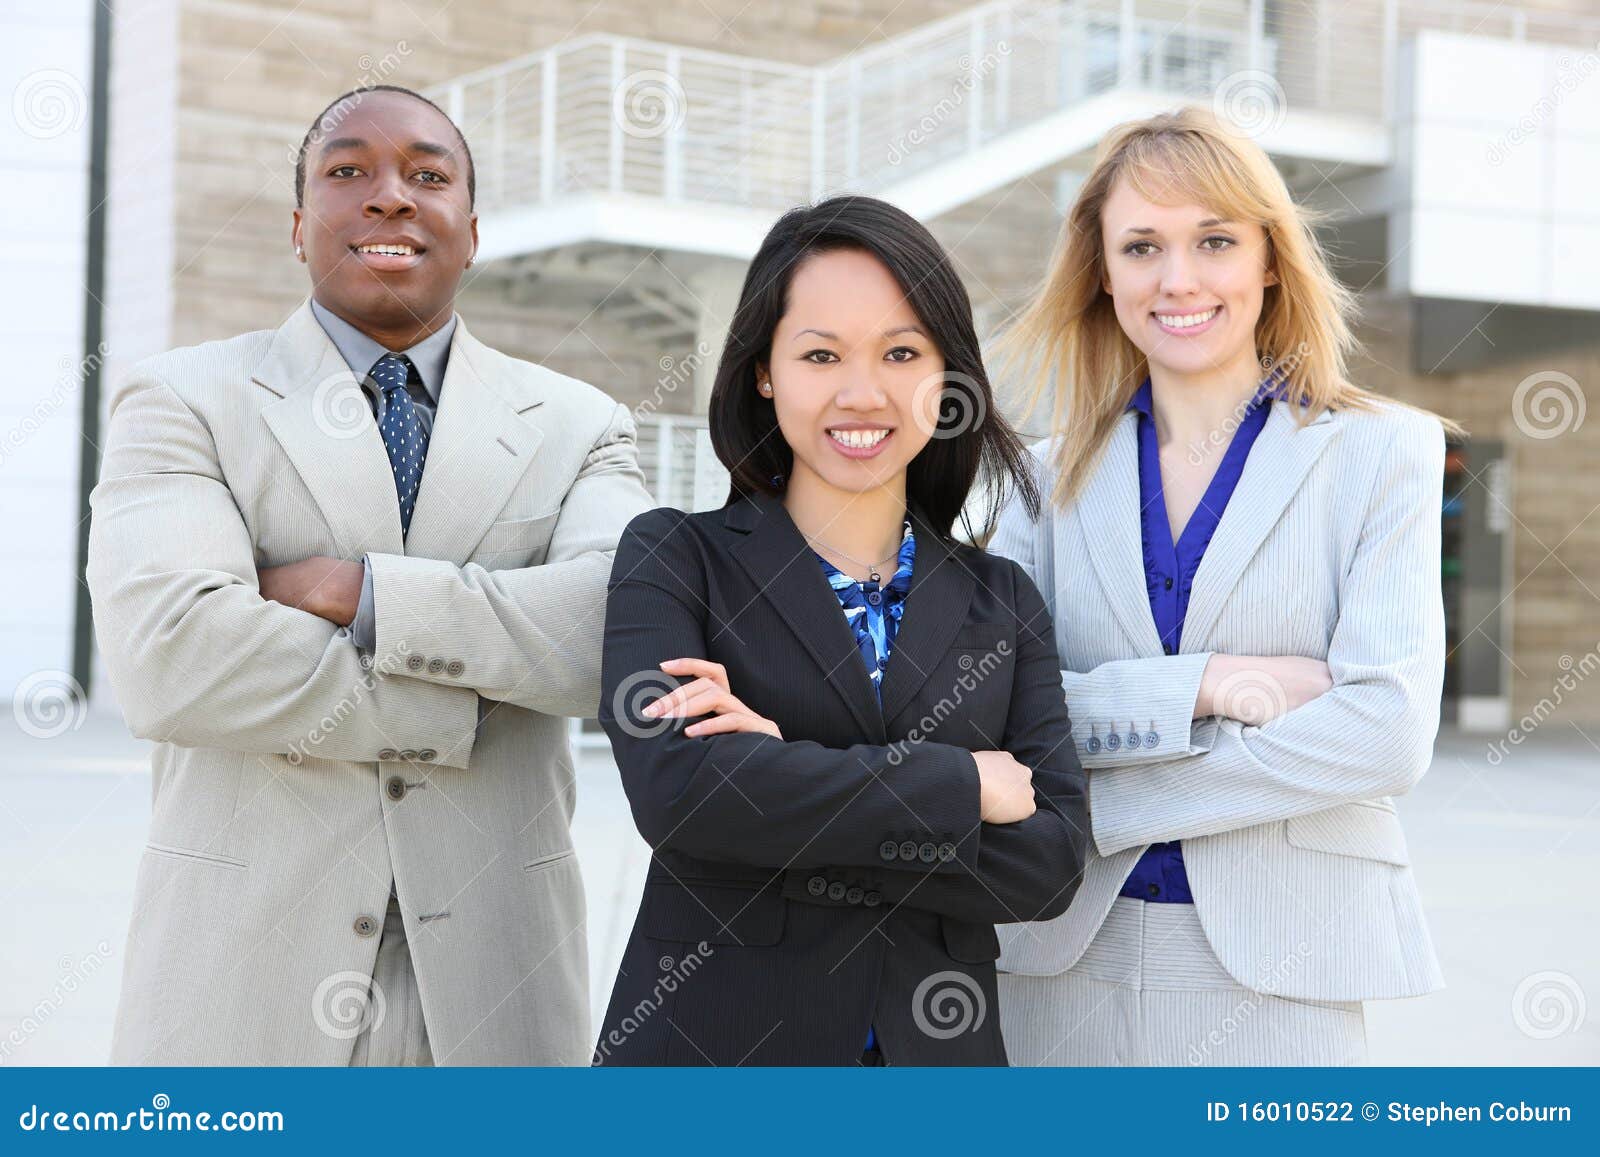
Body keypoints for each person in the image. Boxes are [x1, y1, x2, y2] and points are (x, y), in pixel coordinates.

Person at [87, 85, 653, 1065]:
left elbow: (613, 637)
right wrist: (473, 697)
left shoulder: (581, 424)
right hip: (243, 988)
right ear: (301, 225)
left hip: (494, 990)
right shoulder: (181, 399)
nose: (390, 197)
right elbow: (172, 657)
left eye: (427, 176)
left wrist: (362, 592)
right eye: (348, 171)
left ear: (470, 233)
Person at [988, 106, 1457, 1066]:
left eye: (1214, 240)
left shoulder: (1383, 453)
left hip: (1288, 964)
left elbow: (1386, 731)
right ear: (1103, 271)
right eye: (1142, 246)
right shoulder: (1033, 482)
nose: (1179, 279)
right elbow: (996, 717)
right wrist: (1200, 689)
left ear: (1271, 258)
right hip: (1059, 962)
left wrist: (1101, 804)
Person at [592, 195, 1088, 1066]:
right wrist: (962, 785)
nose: (862, 392)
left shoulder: (1000, 598)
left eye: (901, 353)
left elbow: (1047, 864)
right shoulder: (675, 556)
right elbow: (679, 794)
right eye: (821, 354)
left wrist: (778, 770)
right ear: (764, 371)